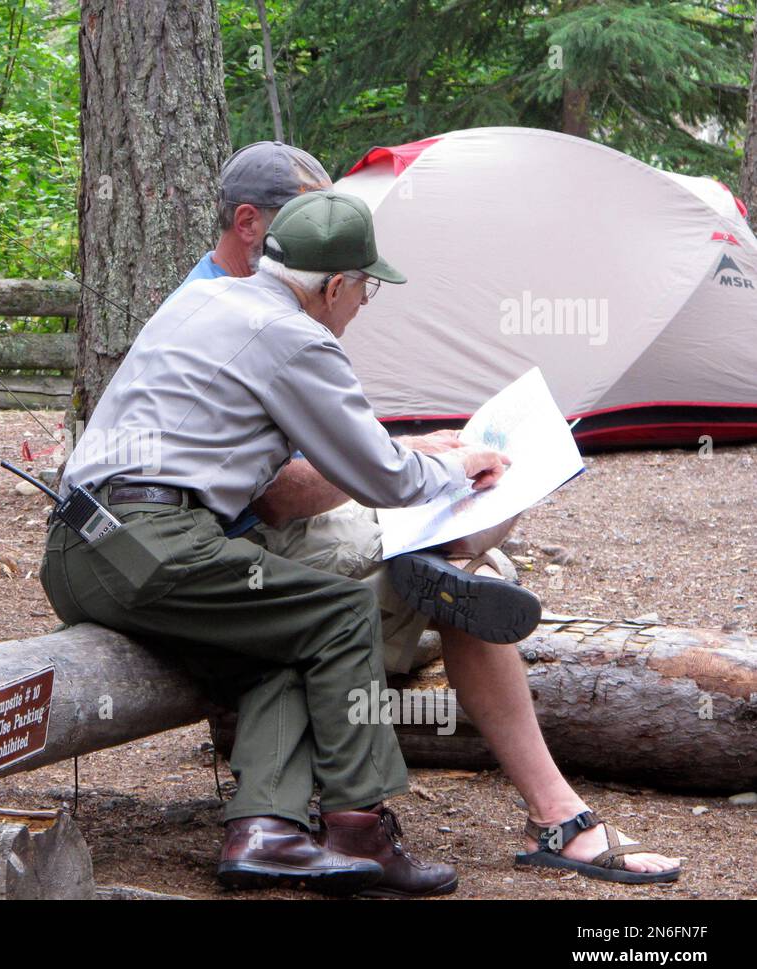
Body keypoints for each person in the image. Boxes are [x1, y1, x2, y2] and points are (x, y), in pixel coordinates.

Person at [182, 143, 682, 889]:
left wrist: (404, 459)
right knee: (461, 563)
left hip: (279, 541)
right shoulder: (228, 307)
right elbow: (278, 494)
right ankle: (555, 813)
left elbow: (318, 448)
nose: (332, 235)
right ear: (251, 225)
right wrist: (399, 465)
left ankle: (434, 568)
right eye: (311, 220)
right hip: (246, 560)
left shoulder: (267, 298)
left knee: (463, 547)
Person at [43, 189, 519, 897]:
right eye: (367, 289)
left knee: (276, 651)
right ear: (334, 286)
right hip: (153, 543)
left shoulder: (205, 301)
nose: (362, 306)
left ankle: (265, 832)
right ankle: (361, 829)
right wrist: (457, 465)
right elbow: (382, 476)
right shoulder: (297, 336)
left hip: (76, 551)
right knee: (340, 613)